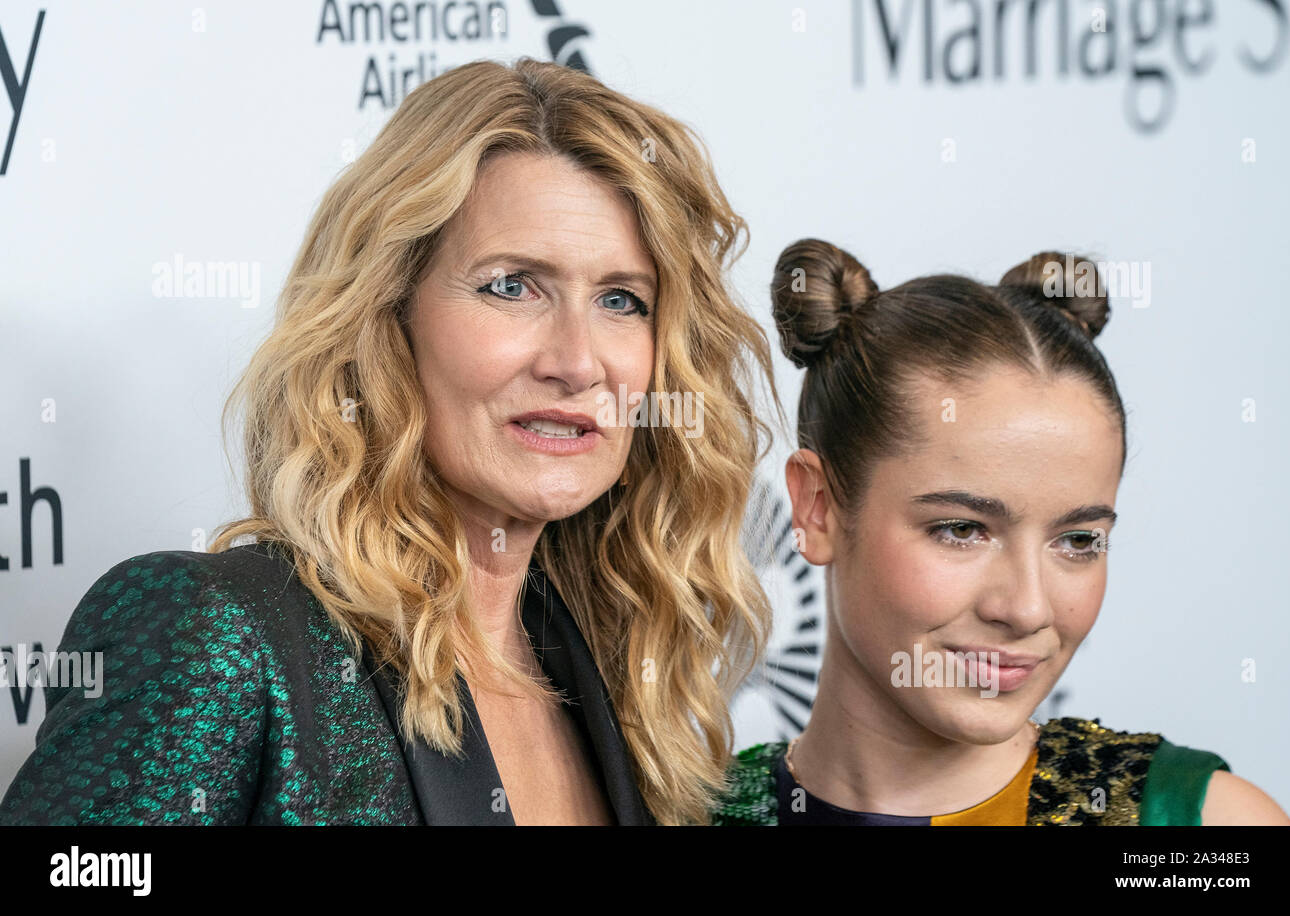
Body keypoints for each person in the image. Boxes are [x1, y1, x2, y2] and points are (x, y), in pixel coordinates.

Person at [0, 57, 775, 826]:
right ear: (387, 315)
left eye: (621, 300)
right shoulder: (211, 637)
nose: (577, 362)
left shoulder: (622, 685)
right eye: (512, 286)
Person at [714, 239, 1290, 826]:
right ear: (818, 509)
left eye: (1078, 541)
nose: (1028, 609)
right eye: (962, 529)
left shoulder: (1199, 821)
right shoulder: (681, 814)